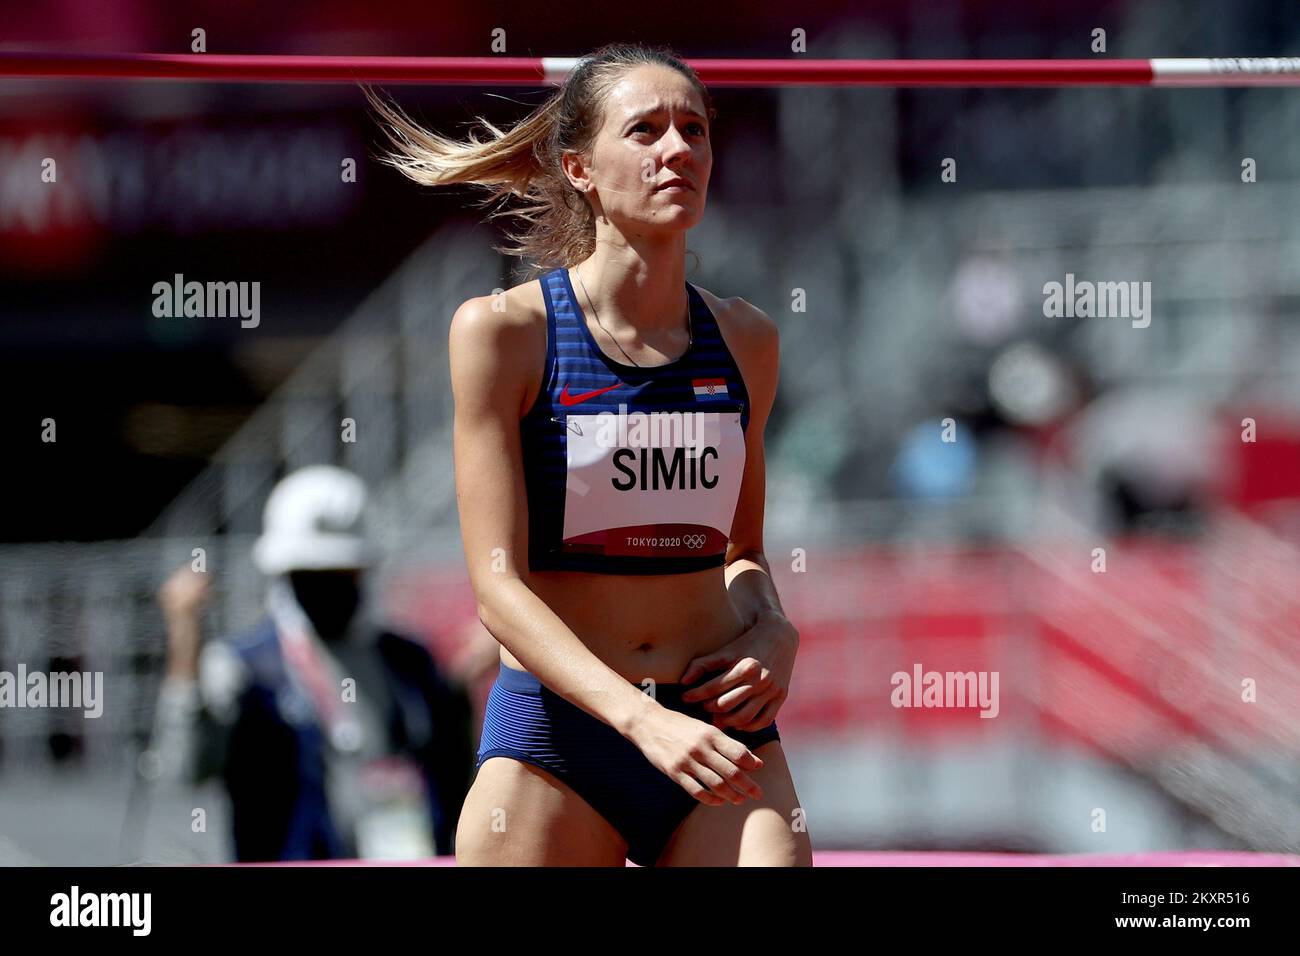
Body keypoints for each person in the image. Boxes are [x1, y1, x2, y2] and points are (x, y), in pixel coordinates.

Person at [365, 42, 812, 866]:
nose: (678, 149)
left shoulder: (747, 339)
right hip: (560, 738)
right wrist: (640, 720)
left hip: (714, 728)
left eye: (695, 129)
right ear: (578, 167)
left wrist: (775, 629)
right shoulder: (503, 334)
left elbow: (741, 552)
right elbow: (498, 589)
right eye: (645, 131)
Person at [149, 464, 476, 861]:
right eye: (311, 573)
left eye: (340, 571)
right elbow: (188, 769)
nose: (327, 586)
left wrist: (461, 688)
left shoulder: (407, 660)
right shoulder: (242, 667)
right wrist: (185, 645)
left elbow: (453, 771)